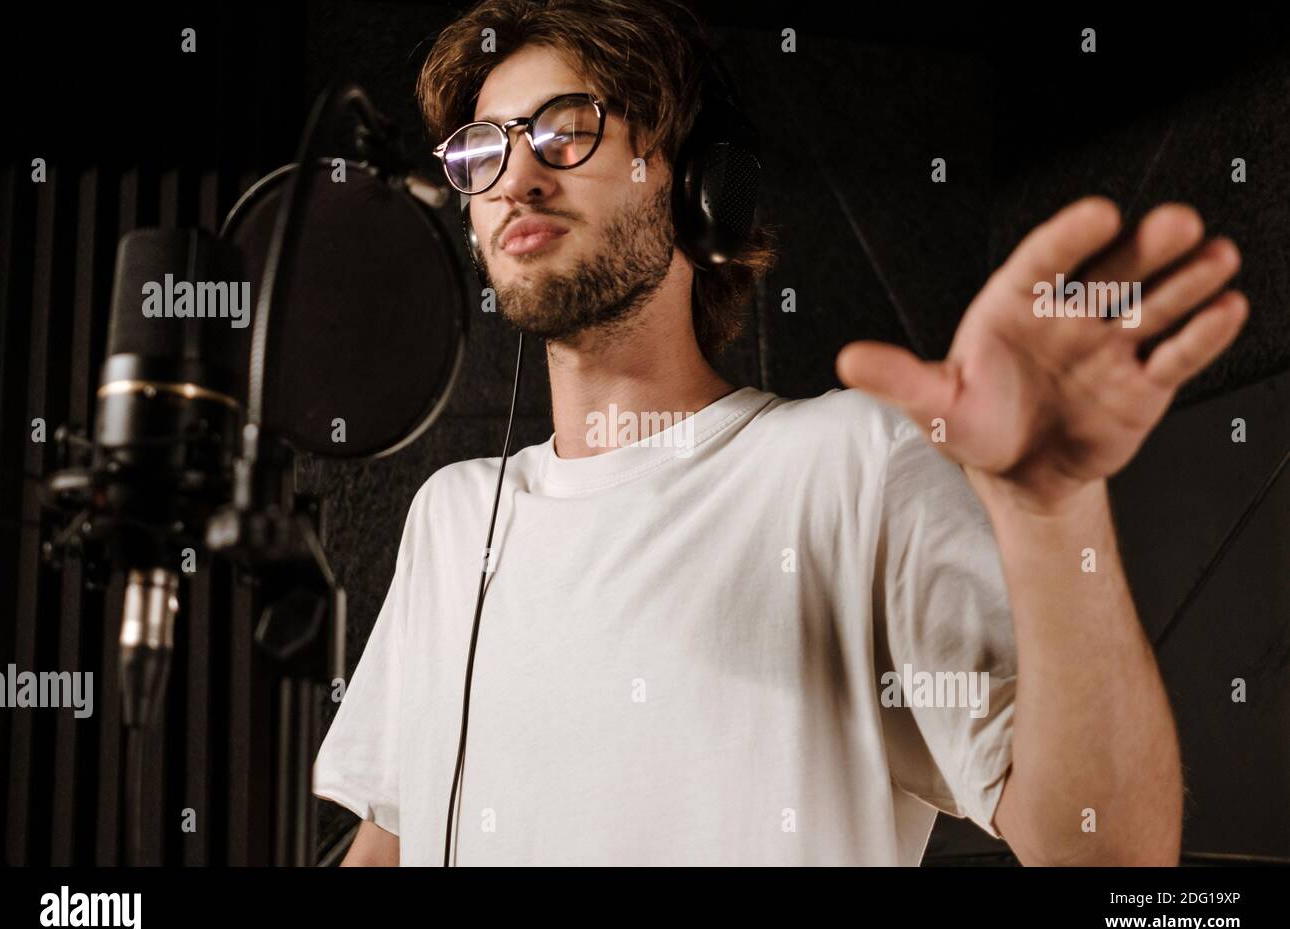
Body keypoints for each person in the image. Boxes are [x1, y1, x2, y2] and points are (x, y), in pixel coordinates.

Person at [313, 0, 1248, 866]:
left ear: (696, 187)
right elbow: (387, 846)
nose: (514, 177)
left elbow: (1108, 853)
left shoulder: (852, 463)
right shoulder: (453, 519)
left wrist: (1054, 505)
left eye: (564, 129)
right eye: (479, 151)